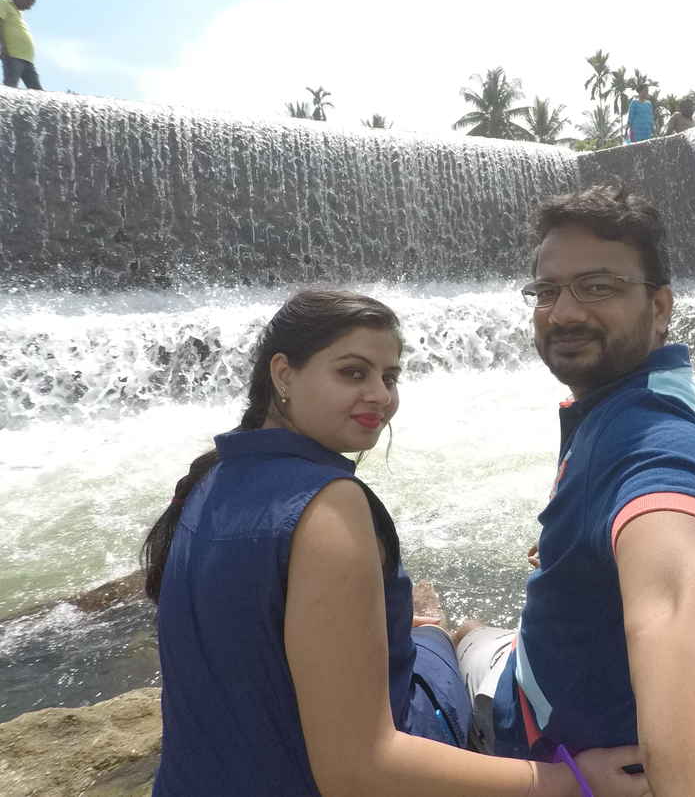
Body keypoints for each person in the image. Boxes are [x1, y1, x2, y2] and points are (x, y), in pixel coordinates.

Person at [143, 289, 648, 797]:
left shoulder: (211, 479)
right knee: (442, 645)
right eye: (353, 373)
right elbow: (358, 770)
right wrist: (568, 782)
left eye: (389, 377)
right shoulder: (327, 507)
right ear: (283, 374)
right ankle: (441, 633)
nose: (381, 396)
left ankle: (428, 629)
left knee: (426, 637)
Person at [456, 186, 695, 797]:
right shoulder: (624, 396)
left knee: (425, 648)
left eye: (598, 287)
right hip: (525, 672)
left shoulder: (656, 431)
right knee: (463, 633)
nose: (563, 313)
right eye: (548, 290)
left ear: (659, 305)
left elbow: (684, 595)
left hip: (555, 760)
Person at [0, 0, 40, 90]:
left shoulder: (16, 10)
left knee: (37, 91)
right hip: (13, 54)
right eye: (28, 3)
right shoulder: (3, 2)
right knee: (10, 87)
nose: (28, 8)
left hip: (26, 58)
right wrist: (2, 46)